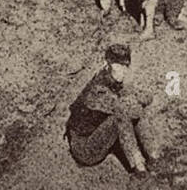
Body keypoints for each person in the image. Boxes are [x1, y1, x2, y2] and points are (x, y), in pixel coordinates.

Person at [65, 43, 155, 174]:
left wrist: (137, 98)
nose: (123, 71)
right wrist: (135, 101)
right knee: (121, 117)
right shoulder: (97, 90)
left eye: (126, 66)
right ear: (107, 65)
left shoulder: (111, 78)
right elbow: (126, 110)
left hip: (95, 132)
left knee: (130, 107)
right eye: (118, 66)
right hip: (84, 148)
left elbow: (147, 97)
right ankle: (139, 167)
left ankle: (151, 155)